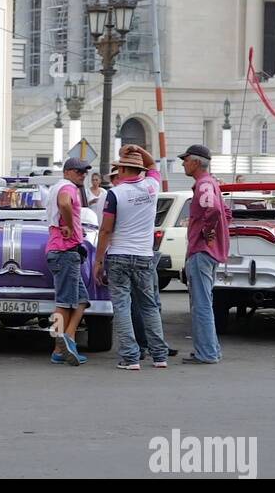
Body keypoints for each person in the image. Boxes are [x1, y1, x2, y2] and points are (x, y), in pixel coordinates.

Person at [93, 146, 170, 370]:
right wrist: (139, 149)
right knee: (149, 307)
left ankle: (130, 357)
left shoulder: (115, 194)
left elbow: (106, 230)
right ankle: (159, 356)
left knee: (122, 306)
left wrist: (98, 261)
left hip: (119, 255)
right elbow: (153, 166)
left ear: (124, 169)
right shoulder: (151, 187)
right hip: (145, 256)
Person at [179, 144, 231, 365]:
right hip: (209, 251)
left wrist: (207, 233)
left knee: (200, 304)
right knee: (204, 302)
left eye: (186, 159)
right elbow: (226, 212)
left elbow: (216, 211)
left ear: (196, 162)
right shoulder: (212, 184)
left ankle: (207, 353)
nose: (183, 163)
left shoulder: (204, 184)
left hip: (201, 251)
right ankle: (210, 349)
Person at [44, 157, 92, 366]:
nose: (83, 175)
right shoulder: (68, 187)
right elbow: (64, 202)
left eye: (84, 172)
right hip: (64, 250)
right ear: (67, 172)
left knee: (82, 299)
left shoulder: (58, 186)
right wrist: (71, 225)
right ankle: (57, 348)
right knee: (64, 302)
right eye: (78, 171)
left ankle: (69, 339)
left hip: (64, 251)